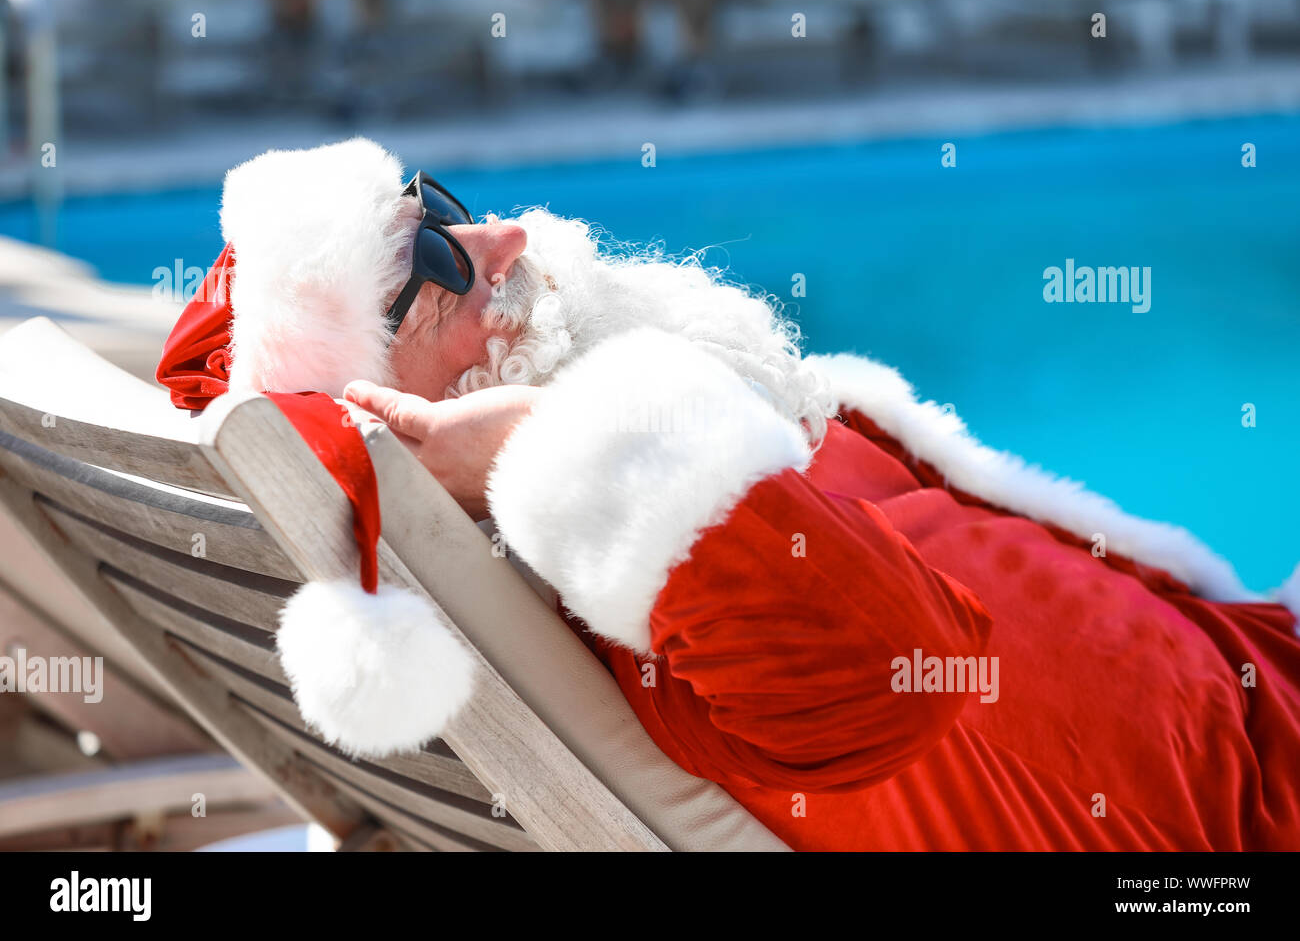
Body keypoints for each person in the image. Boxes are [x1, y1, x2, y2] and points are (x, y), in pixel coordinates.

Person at [159, 138, 1300, 850]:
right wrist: (553, 442)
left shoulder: (634, 485)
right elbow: (879, 685)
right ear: (401, 414)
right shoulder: (628, 552)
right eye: (436, 268)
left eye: (440, 203)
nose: (504, 234)